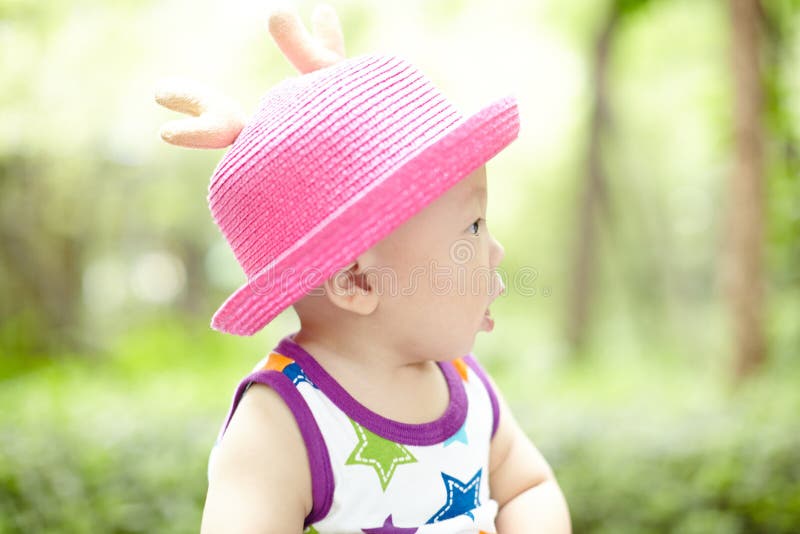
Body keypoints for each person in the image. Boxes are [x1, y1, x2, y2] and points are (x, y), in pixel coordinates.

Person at [156, 4, 571, 533]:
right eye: (472, 227)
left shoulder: (465, 386)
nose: (496, 249)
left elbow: (529, 486)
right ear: (355, 280)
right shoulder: (285, 421)